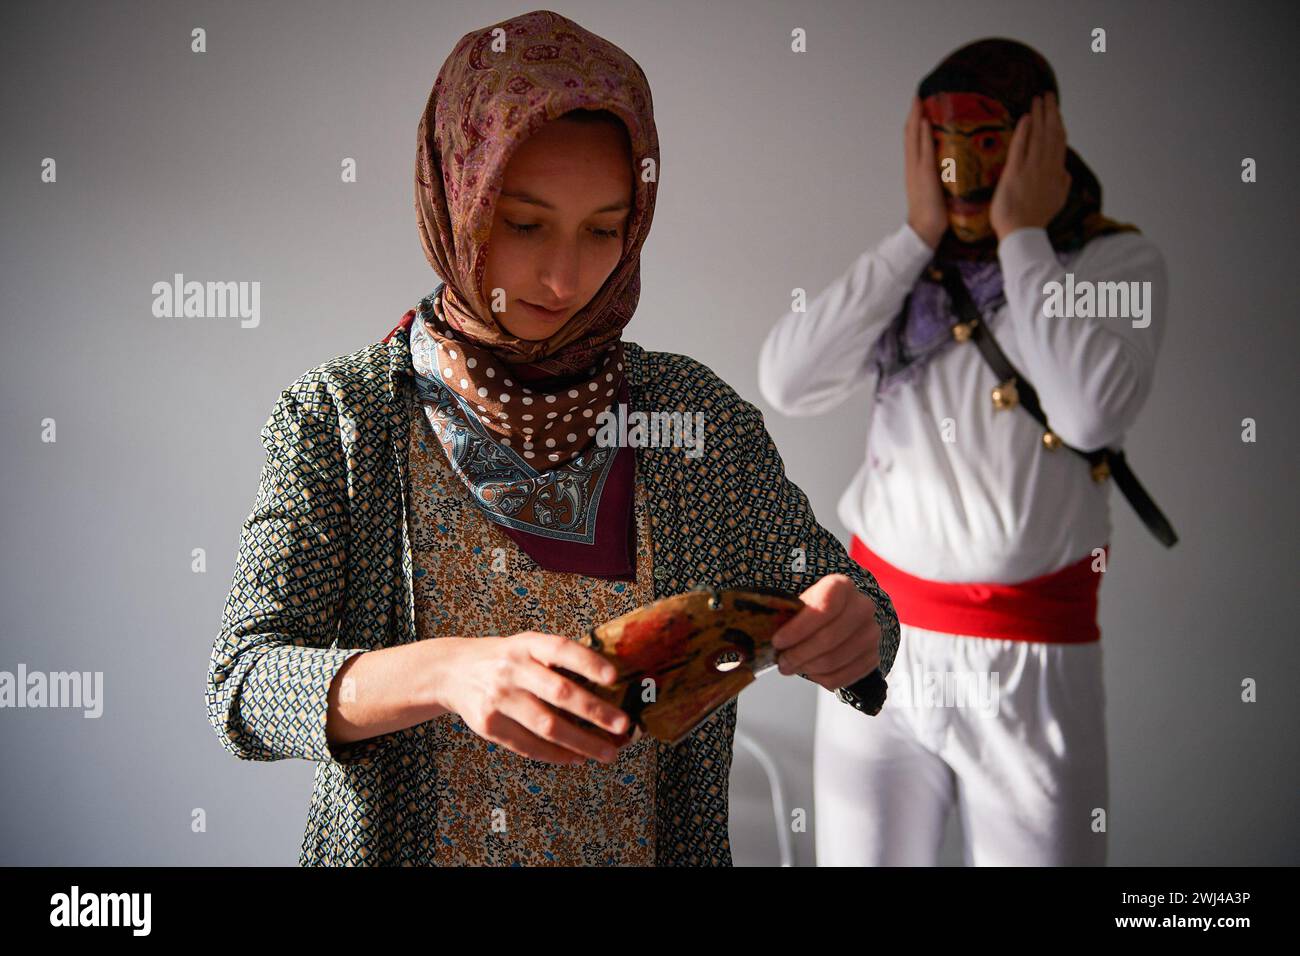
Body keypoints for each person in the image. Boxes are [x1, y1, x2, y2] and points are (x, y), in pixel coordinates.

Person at [206, 8, 899, 867]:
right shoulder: (342, 417)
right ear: (455, 197)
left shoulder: (691, 420)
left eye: (603, 230)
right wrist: (446, 673)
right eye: (525, 224)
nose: (565, 277)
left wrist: (856, 624)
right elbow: (243, 685)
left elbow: (839, 593)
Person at [759, 38, 1169, 866]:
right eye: (942, 143)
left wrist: (1022, 237)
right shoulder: (911, 272)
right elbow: (787, 378)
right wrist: (915, 235)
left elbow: (1090, 412)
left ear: (1038, 140)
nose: (964, 168)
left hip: (1032, 662)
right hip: (874, 639)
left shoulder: (1115, 261)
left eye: (989, 141)